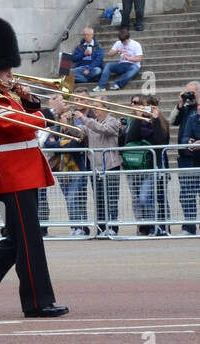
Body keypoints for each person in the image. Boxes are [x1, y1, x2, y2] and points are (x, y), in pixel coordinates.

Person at [0, 19, 69, 318]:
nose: (11, 73)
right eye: (5, 69)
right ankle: (37, 301)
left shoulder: (9, 95)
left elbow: (24, 121)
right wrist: (48, 112)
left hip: (25, 169)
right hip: (11, 173)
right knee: (29, 238)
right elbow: (15, 125)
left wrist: (30, 100)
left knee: (19, 238)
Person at [124, 96, 169, 236]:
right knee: (138, 200)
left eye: (147, 106)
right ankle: (145, 228)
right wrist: (138, 117)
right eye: (142, 106)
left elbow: (161, 142)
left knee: (146, 197)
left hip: (153, 166)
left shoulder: (160, 122)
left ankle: (155, 226)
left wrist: (155, 119)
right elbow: (129, 138)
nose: (145, 109)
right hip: (137, 166)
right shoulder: (136, 121)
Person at [78, 96, 122, 238]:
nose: (94, 109)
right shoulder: (93, 122)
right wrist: (68, 123)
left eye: (97, 106)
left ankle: (112, 228)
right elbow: (80, 131)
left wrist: (84, 119)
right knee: (99, 200)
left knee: (111, 199)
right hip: (95, 167)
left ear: (105, 107)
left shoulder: (113, 121)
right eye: (93, 106)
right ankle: (101, 228)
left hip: (110, 166)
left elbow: (103, 129)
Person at [47, 100, 89, 235]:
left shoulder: (76, 129)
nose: (69, 119)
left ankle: (80, 227)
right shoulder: (55, 129)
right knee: (69, 199)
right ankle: (76, 227)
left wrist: (59, 144)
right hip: (62, 170)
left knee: (74, 198)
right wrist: (63, 144)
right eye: (66, 116)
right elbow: (47, 144)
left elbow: (76, 146)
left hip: (76, 169)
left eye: (71, 116)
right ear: (60, 118)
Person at [179, 88, 200, 234]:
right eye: (198, 106)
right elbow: (184, 137)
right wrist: (191, 142)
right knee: (187, 194)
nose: (199, 108)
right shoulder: (192, 118)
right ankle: (189, 226)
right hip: (190, 160)